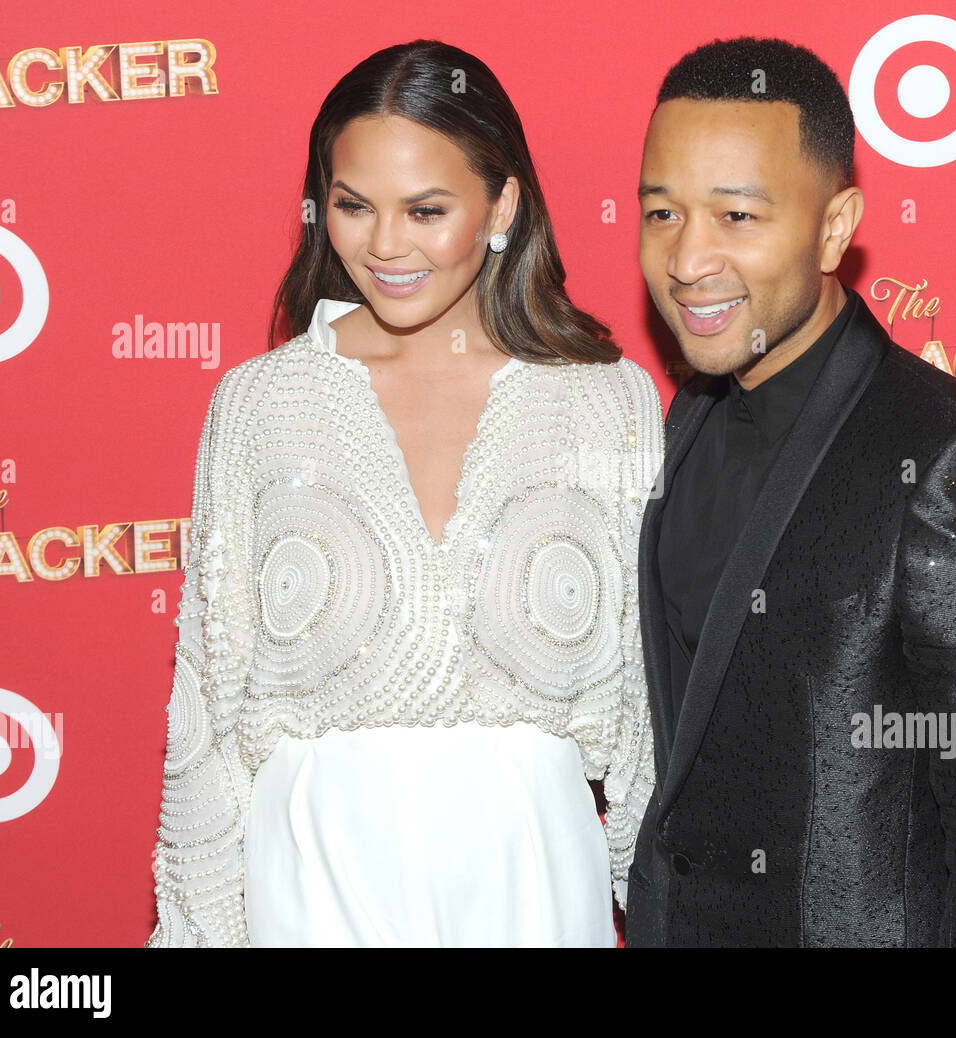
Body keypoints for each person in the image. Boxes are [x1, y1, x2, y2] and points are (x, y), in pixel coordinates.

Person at [146, 39, 662, 947]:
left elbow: (646, 723)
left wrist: (666, 916)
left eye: (426, 210)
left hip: (531, 871)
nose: (385, 247)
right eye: (353, 206)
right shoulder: (263, 405)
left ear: (502, 203)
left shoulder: (603, 400)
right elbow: (208, 719)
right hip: (313, 873)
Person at [626, 36, 956, 947]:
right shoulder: (678, 426)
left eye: (739, 218)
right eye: (662, 213)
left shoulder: (953, 460)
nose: (688, 259)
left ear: (834, 228)